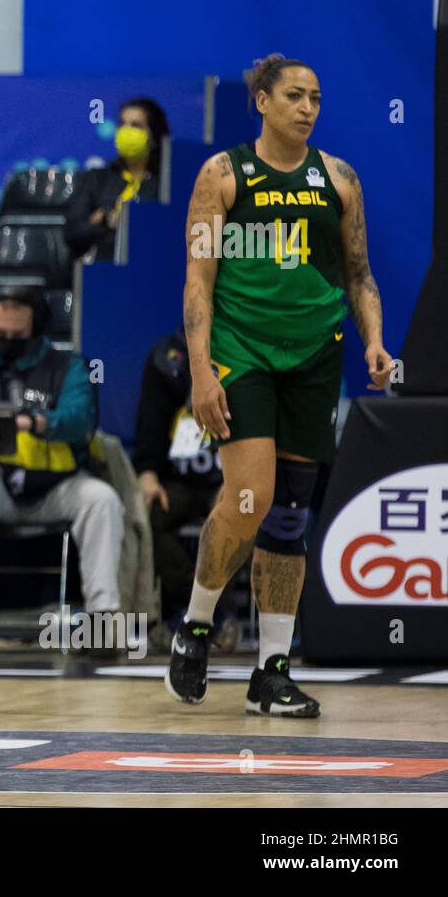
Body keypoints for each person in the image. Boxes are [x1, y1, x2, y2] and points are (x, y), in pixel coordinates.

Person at [167, 54, 393, 717]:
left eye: (316, 98)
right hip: (243, 351)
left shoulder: (339, 179)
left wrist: (375, 340)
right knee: (250, 496)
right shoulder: (223, 174)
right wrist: (203, 369)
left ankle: (272, 672)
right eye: (294, 95)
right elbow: (198, 278)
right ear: (261, 101)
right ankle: (197, 625)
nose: (308, 108)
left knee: (291, 515)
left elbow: (360, 274)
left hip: (315, 356)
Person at [0, 286, 123, 658]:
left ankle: (102, 621)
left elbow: (81, 421)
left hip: (55, 485)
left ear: (38, 328)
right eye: (0, 335)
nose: (7, 343)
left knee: (102, 499)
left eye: (17, 337)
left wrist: (36, 423)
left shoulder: (67, 368)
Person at [133, 328, 237, 651]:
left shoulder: (246, 351)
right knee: (146, 515)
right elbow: (149, 426)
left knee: (244, 513)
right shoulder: (167, 357)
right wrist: (147, 475)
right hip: (176, 480)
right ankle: (210, 614)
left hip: (230, 478)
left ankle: (200, 616)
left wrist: (235, 482)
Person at [64, 97, 169, 261]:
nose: (126, 131)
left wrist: (121, 222)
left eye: (136, 125)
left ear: (154, 136)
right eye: (122, 124)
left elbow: (162, 232)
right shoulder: (98, 179)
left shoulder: (165, 184)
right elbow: (72, 232)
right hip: (99, 268)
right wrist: (106, 222)